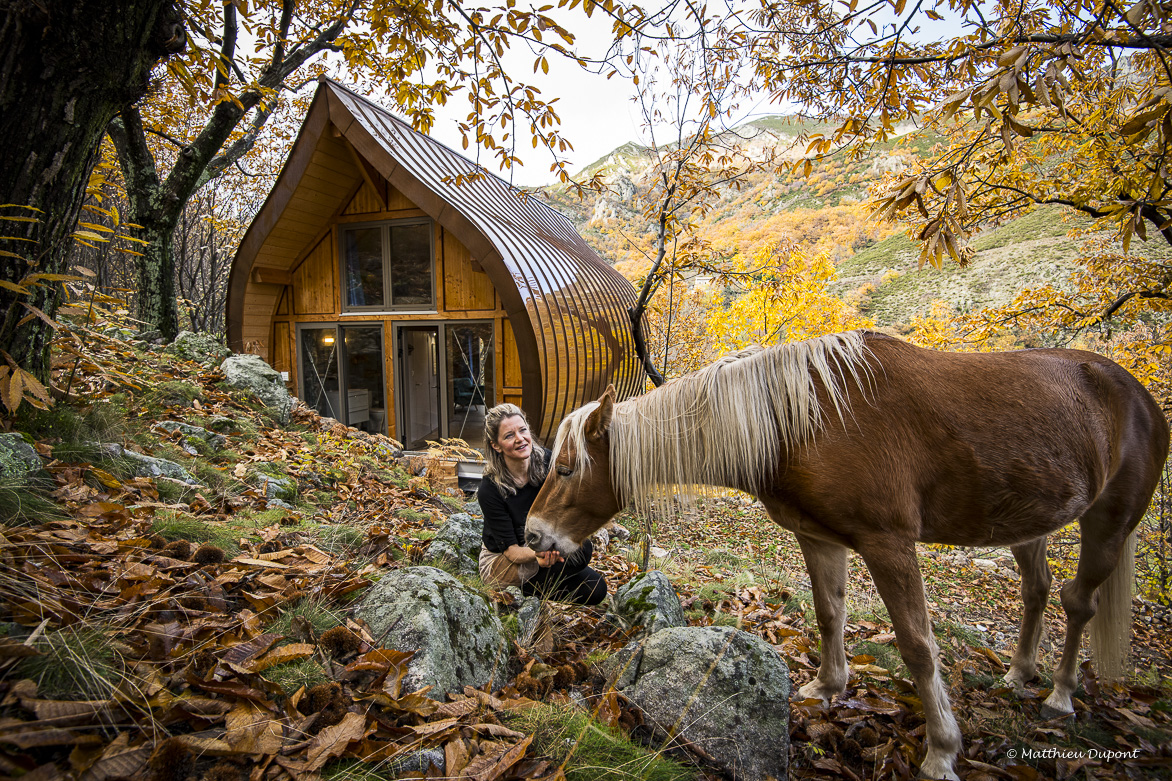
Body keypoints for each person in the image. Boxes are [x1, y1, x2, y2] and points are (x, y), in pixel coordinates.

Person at [477, 403, 607, 606]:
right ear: (496, 445)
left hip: (542, 544)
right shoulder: (490, 489)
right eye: (509, 435)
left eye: (522, 430)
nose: (520, 439)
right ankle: (517, 598)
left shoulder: (547, 460)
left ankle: (532, 593)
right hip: (505, 561)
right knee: (575, 556)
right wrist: (539, 555)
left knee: (594, 585)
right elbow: (511, 551)